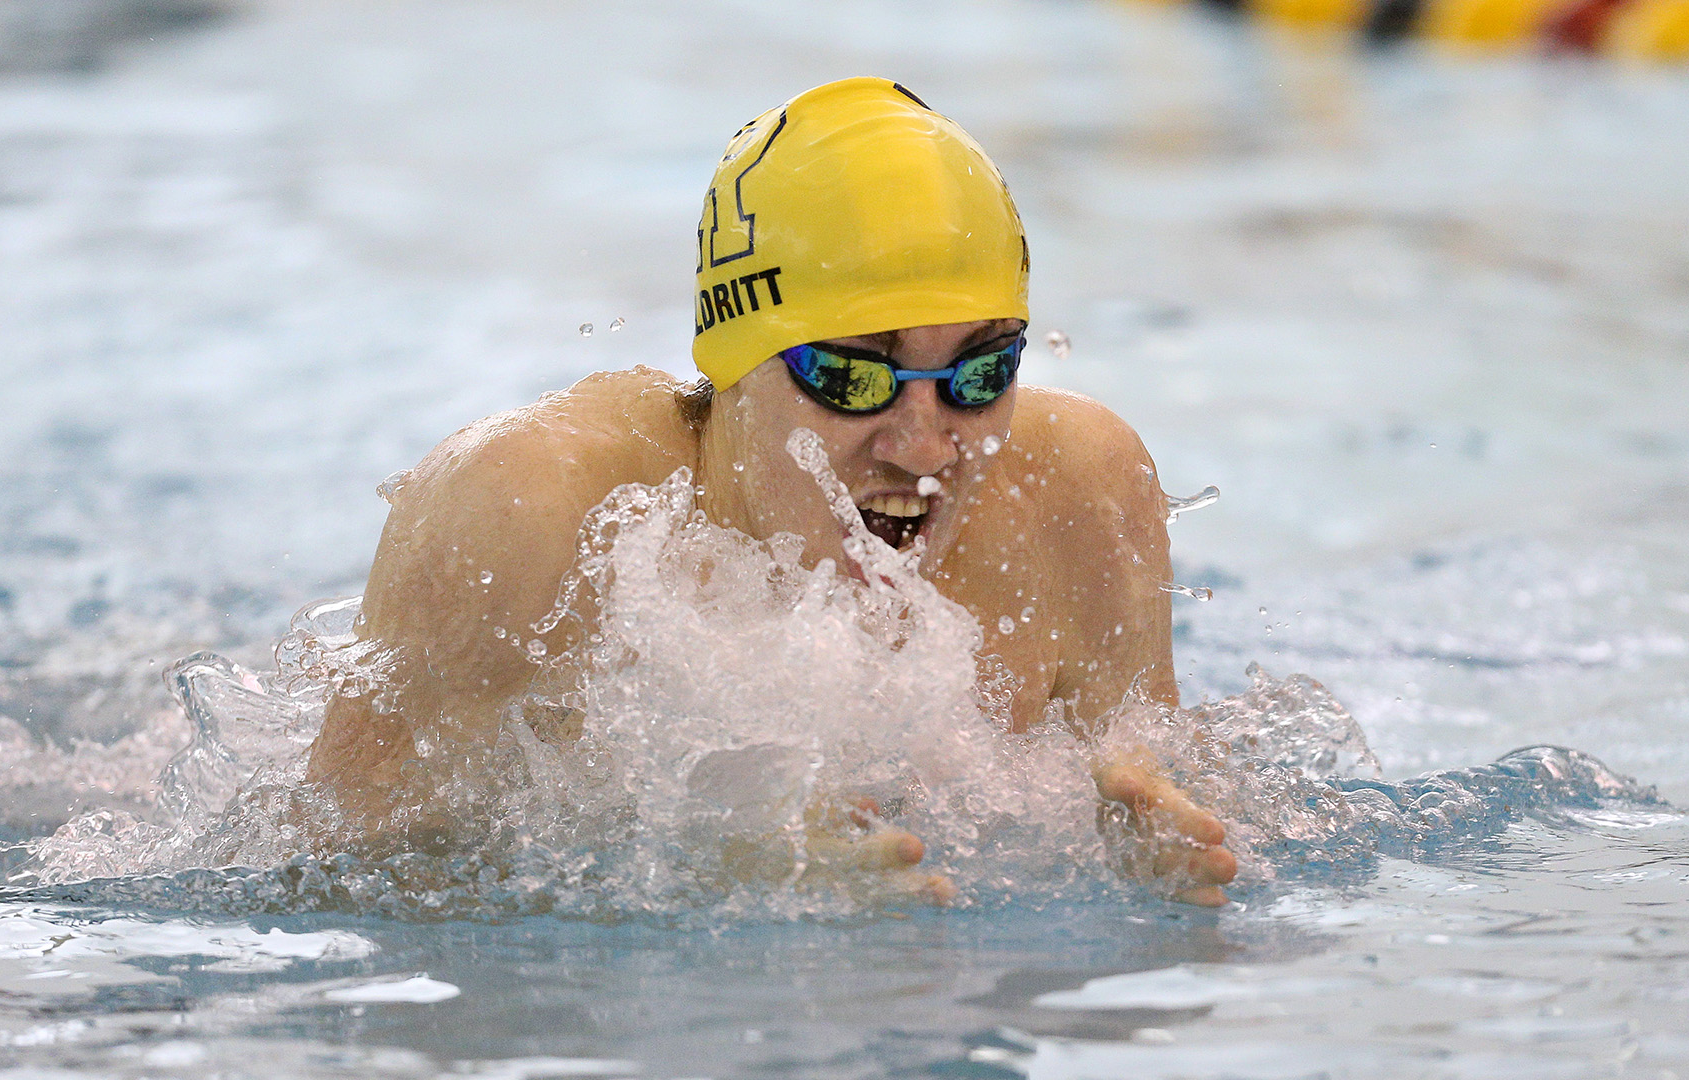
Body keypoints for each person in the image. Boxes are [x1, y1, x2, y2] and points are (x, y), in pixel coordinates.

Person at [303, 77, 1239, 906]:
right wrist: (688, 872)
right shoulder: (530, 513)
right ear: (737, 364)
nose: (924, 446)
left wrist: (1141, 836)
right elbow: (324, 875)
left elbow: (1162, 777)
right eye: (853, 376)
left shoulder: (1077, 489)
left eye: (979, 372)